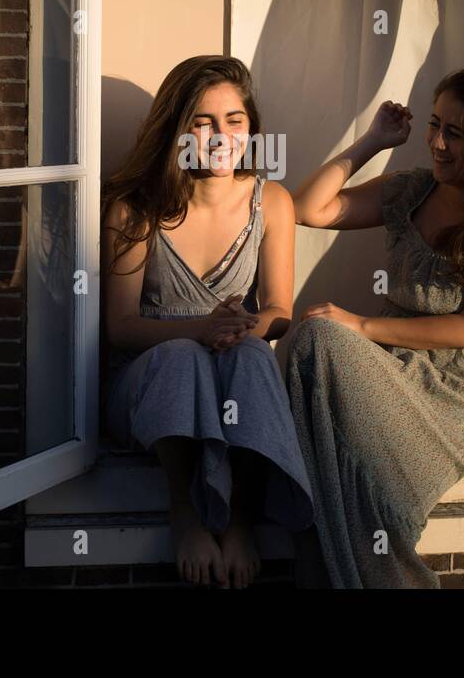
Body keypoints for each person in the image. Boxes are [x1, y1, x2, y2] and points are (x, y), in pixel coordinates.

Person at [279, 67, 464, 588]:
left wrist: (360, 325)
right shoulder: (413, 191)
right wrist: (373, 141)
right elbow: (304, 208)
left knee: (327, 338)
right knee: (318, 341)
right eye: (434, 125)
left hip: (456, 396)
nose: (438, 143)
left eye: (456, 133)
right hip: (390, 372)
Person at [101, 55, 313, 588]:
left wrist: (245, 328)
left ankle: (239, 518)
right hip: (150, 384)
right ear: (178, 129)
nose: (221, 136)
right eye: (203, 122)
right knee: (183, 356)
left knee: (250, 355)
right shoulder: (136, 209)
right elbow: (119, 326)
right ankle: (185, 513)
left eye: (234, 122)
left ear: (251, 129)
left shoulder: (273, 203)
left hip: (231, 367)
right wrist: (199, 330)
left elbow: (280, 311)